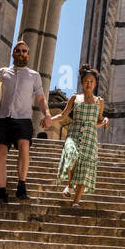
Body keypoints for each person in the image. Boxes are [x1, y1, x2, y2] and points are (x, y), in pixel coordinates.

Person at [0, 41, 48, 202]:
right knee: (0, 153)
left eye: (24, 51)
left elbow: (40, 98)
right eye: (18, 50)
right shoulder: (3, 72)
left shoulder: (34, 75)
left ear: (28, 54)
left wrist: (46, 113)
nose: (21, 53)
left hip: (23, 118)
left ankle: (21, 185)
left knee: (24, 146)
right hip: (3, 117)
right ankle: (2, 192)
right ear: (13, 54)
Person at [46, 65, 109, 207]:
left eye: (92, 81)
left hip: (90, 138)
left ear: (95, 83)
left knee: (85, 169)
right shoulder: (75, 98)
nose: (89, 84)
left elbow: (97, 121)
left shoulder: (100, 101)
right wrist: (49, 119)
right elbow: (63, 115)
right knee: (71, 155)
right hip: (74, 134)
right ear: (82, 82)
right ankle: (69, 184)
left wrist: (104, 120)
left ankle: (76, 201)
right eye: (86, 81)